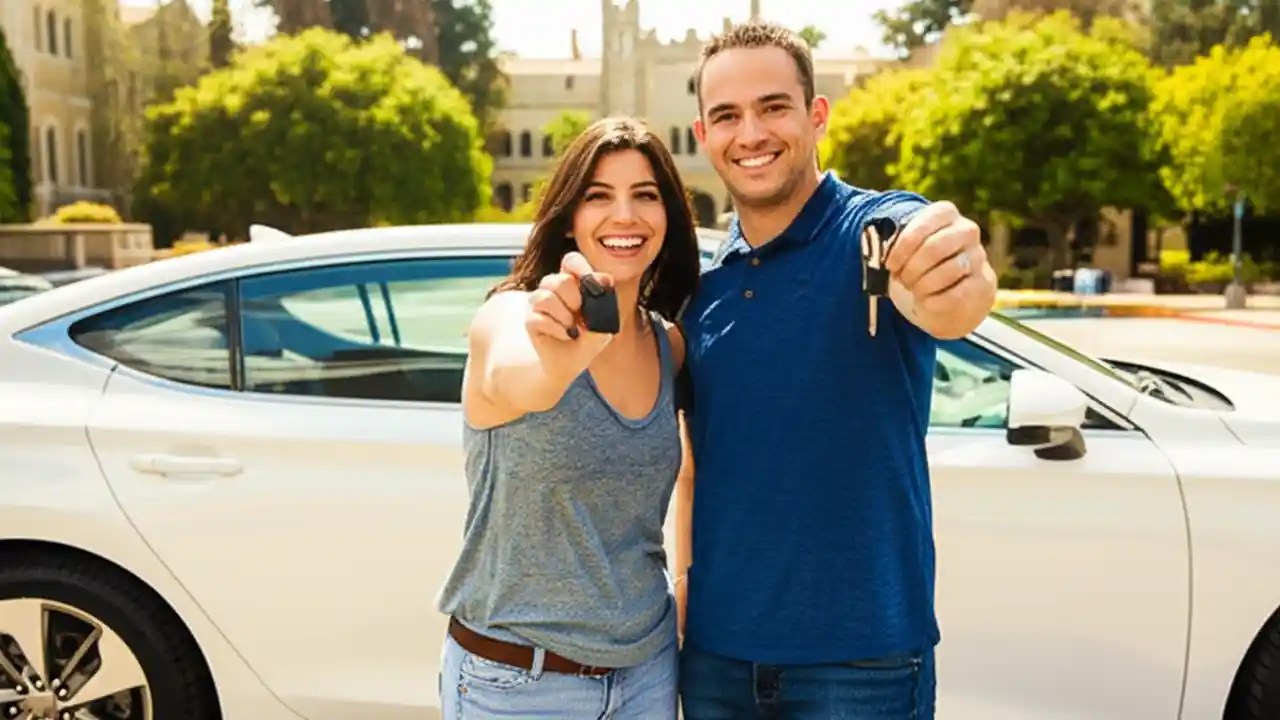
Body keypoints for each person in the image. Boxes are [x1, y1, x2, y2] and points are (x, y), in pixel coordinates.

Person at [673, 20, 998, 719]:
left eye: (773, 107)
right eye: (727, 116)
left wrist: (960, 272)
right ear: (704, 135)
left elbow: (950, 288)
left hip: (862, 663)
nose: (750, 132)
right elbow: (696, 467)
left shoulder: (873, 232)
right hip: (715, 663)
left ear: (816, 116)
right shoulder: (702, 292)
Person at [436, 116, 700, 720]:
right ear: (570, 217)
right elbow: (513, 375)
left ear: (669, 217)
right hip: (516, 683)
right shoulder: (511, 316)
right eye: (598, 196)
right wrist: (567, 355)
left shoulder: (670, 346)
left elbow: (692, 472)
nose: (625, 216)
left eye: (646, 195)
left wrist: (688, 590)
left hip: (648, 674)